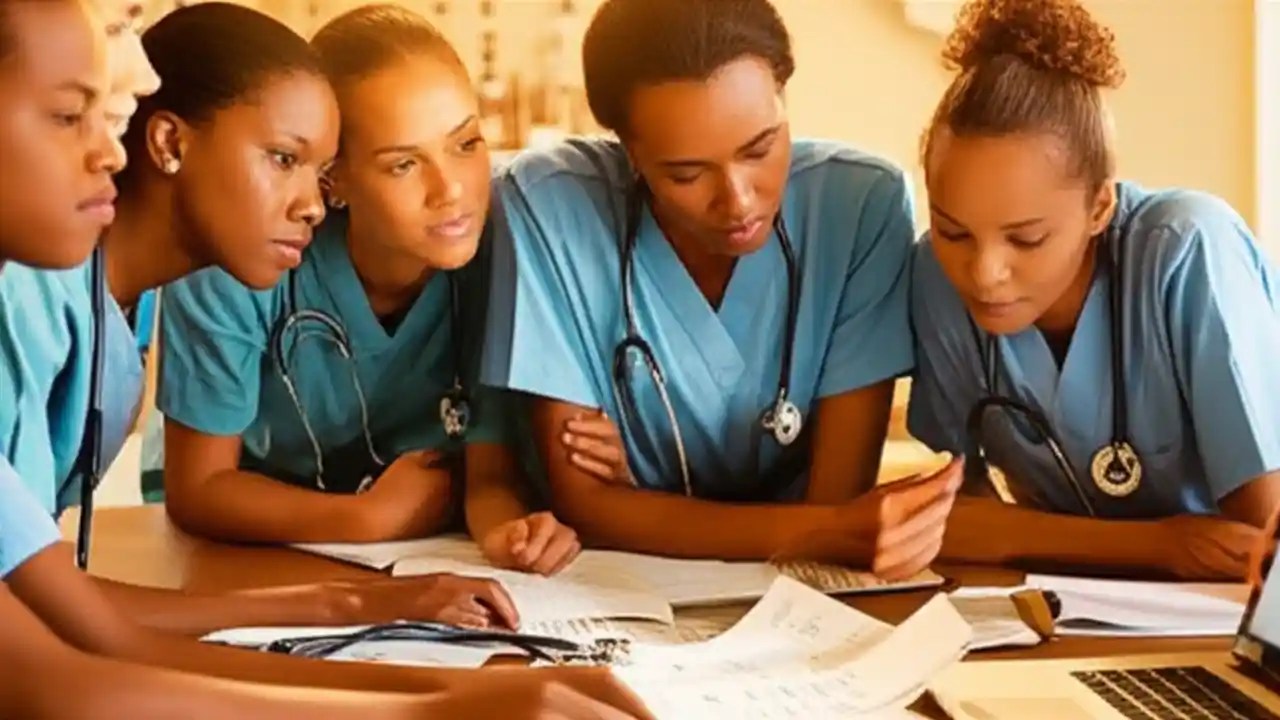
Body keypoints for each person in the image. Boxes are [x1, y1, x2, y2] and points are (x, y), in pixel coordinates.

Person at [0, 2, 653, 718]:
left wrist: (356, 602)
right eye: (69, 116)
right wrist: (441, 702)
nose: (111, 148)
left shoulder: (107, 306)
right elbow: (64, 667)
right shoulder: (35, 299)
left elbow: (65, 615)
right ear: (170, 144)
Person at [480, 0, 962, 577]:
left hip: (792, 601)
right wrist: (821, 531)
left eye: (759, 148)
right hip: (613, 589)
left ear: (785, 96)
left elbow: (836, 503)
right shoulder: (547, 204)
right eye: (686, 174)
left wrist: (641, 505)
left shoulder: (861, 205)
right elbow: (586, 505)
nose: (738, 200)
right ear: (629, 151)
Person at [157, 4, 580, 577]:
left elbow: (489, 474)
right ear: (335, 181)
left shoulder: (505, 244)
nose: (450, 189)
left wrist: (510, 533)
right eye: (404, 164)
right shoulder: (244, 257)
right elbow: (199, 490)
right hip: (250, 548)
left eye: (466, 143)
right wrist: (364, 519)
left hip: (427, 553)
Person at [907, 0, 1280, 580]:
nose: (982, 274)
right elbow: (953, 523)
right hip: (1075, 608)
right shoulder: (932, 277)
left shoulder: (1188, 252)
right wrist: (1161, 545)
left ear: (1100, 205)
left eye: (1025, 239)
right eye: (953, 231)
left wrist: (1030, 537)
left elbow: (1261, 544)